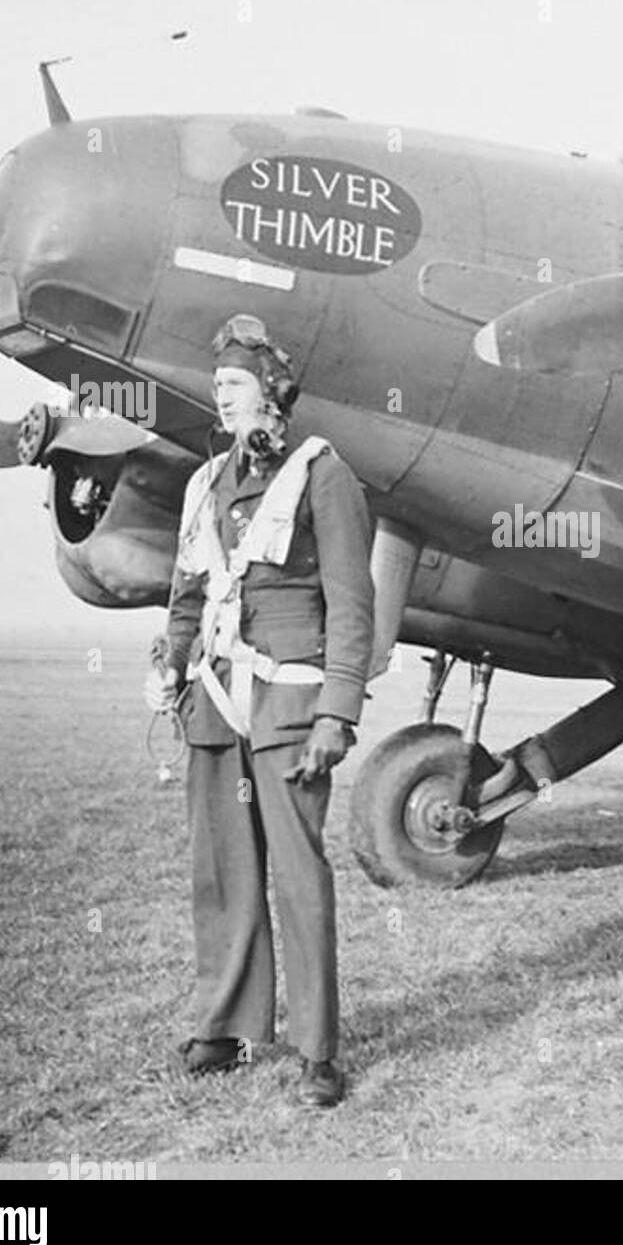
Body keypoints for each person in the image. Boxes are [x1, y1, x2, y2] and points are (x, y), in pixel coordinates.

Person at [144, 313, 375, 1109]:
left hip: (290, 705)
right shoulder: (203, 483)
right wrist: (168, 664)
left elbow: (352, 601)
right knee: (221, 871)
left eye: (236, 383)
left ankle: (317, 1050)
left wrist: (336, 713)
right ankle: (226, 1025)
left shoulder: (325, 474)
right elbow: (187, 596)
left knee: (300, 875)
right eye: (218, 386)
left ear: (273, 394)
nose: (223, 395)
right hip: (213, 701)